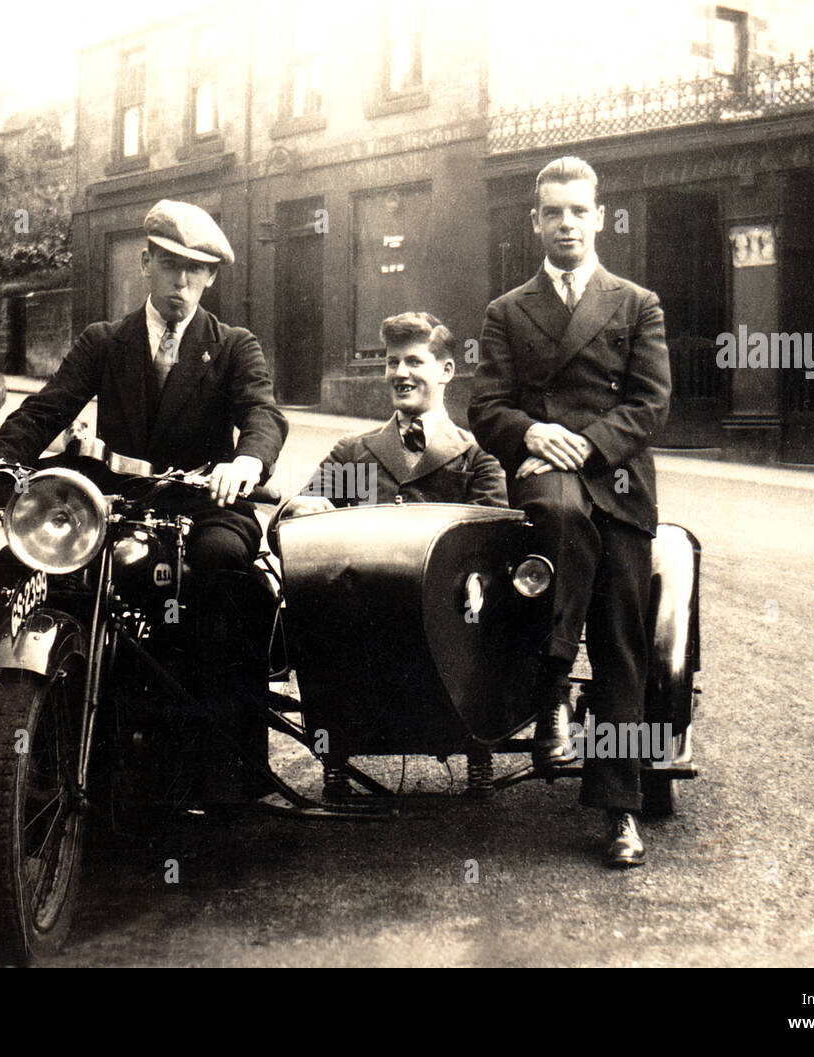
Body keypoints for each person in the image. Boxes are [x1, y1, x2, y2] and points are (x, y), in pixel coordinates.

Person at [0, 199, 287, 798]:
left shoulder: (232, 346)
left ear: (211, 277)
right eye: (170, 264)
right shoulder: (105, 341)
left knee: (222, 571)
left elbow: (261, 411)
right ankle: (43, 735)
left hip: (205, 502)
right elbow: (48, 408)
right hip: (116, 506)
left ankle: (226, 760)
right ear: (145, 262)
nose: (181, 281)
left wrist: (248, 459)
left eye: (195, 270)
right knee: (21, 563)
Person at [468, 157, 671, 868]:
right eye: (553, 212)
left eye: (578, 211)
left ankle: (620, 807)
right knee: (556, 516)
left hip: (613, 486)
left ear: (599, 217)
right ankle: (552, 686)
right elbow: (485, 406)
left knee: (621, 642)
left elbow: (648, 404)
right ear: (535, 221)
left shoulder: (636, 302)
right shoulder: (507, 310)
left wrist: (579, 446)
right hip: (547, 487)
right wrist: (529, 432)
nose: (566, 224)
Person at [280, 312, 507, 517]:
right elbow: (295, 522)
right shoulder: (352, 450)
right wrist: (296, 508)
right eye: (392, 362)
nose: (400, 373)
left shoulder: (479, 457)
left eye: (414, 362)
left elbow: (488, 540)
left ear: (446, 371)